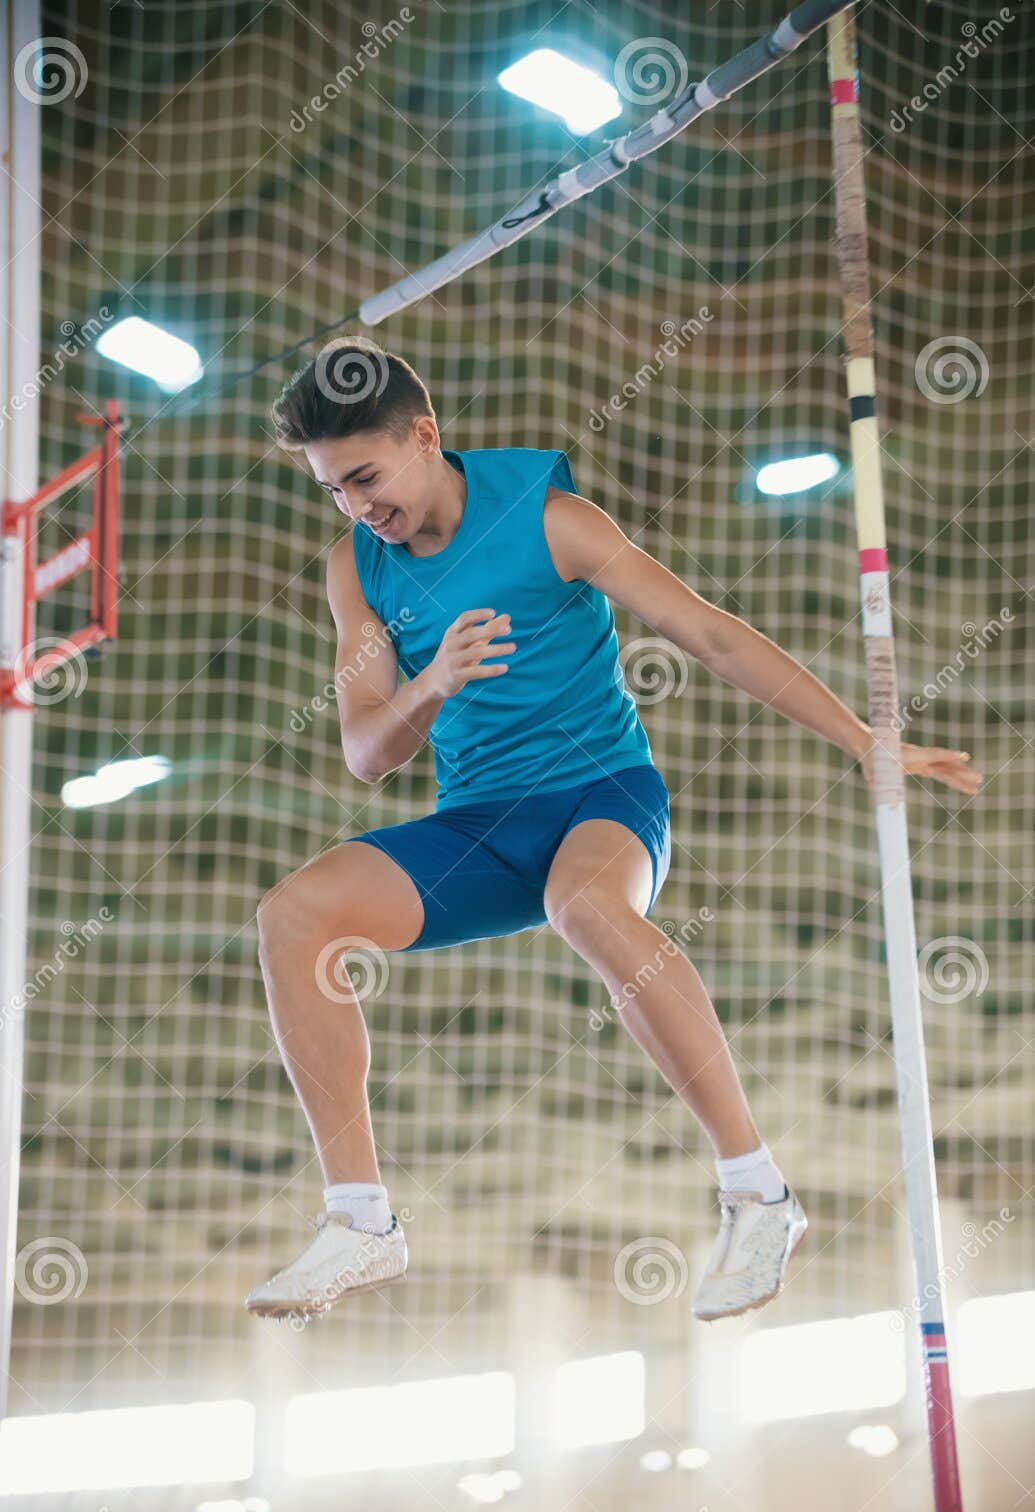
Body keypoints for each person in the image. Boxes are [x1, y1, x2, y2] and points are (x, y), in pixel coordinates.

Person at [245, 340, 982, 1323]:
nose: (357, 506)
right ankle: (360, 1219)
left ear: (422, 436)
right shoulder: (358, 569)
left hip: (602, 797)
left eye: (366, 477)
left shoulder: (553, 520)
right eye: (334, 489)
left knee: (582, 901)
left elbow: (708, 633)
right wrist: (429, 683)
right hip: (479, 825)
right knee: (294, 914)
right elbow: (364, 751)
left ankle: (758, 1194)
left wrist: (858, 739)